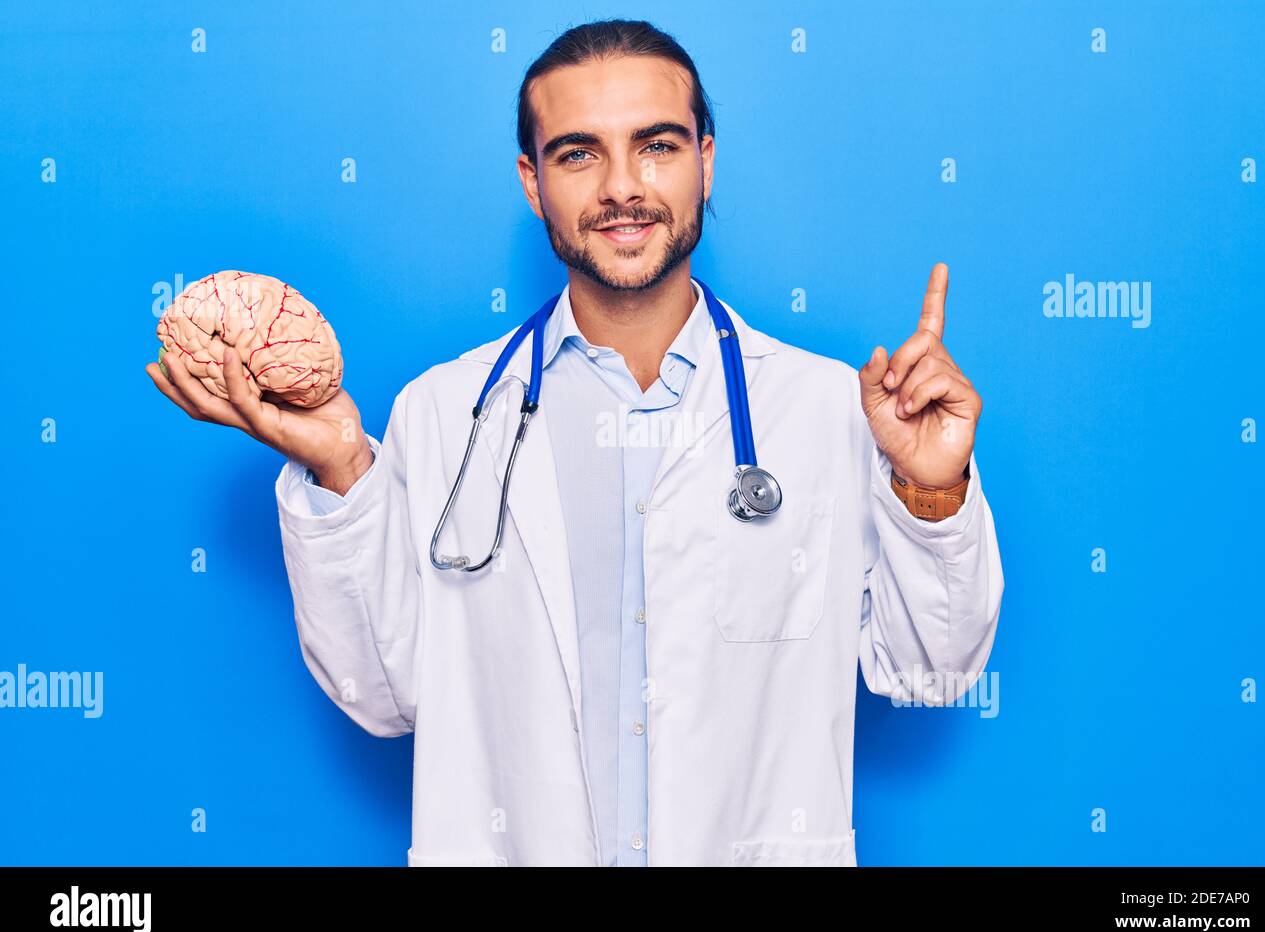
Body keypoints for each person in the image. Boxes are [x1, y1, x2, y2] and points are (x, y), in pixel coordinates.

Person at [145, 18, 1003, 867]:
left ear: (707, 160)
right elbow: (384, 696)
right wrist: (338, 466)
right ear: (532, 181)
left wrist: (934, 494)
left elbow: (932, 670)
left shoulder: (827, 409)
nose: (622, 188)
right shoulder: (446, 413)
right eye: (578, 153)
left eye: (658, 145)